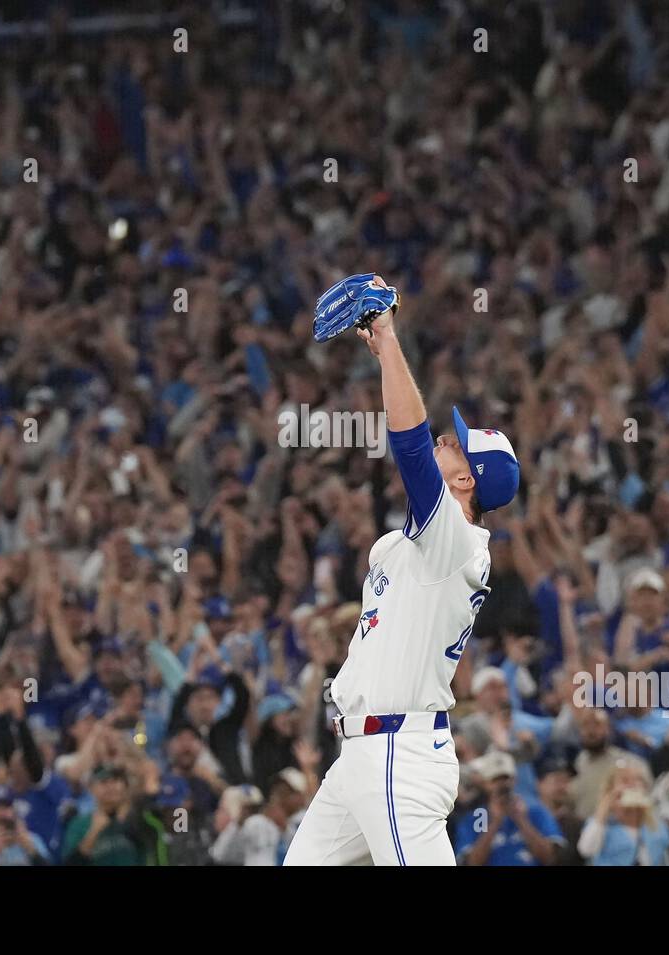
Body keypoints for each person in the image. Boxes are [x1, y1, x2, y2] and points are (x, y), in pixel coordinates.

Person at [285, 277, 520, 866]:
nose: (447, 436)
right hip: (363, 754)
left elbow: (412, 448)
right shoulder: (422, 544)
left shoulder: (456, 540)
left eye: (458, 445)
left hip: (397, 752)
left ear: (466, 481)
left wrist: (387, 339)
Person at [453, 750, 562, 866]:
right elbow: (471, 863)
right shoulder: (475, 817)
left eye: (506, 779)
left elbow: (550, 859)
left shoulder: (537, 812)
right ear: (485, 784)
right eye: (495, 780)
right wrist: (495, 822)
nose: (502, 785)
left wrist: (521, 820)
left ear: (515, 780)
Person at [211, 768, 308, 866]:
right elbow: (219, 854)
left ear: (300, 797)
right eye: (277, 789)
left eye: (286, 792)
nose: (279, 796)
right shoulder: (257, 822)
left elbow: (306, 857)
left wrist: (284, 828)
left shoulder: (306, 821)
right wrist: (238, 824)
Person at [60, 765, 153, 866]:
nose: (111, 786)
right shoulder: (80, 824)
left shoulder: (139, 819)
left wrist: (126, 819)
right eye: (104, 782)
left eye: (116, 780)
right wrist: (93, 833)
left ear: (125, 786)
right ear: (91, 788)